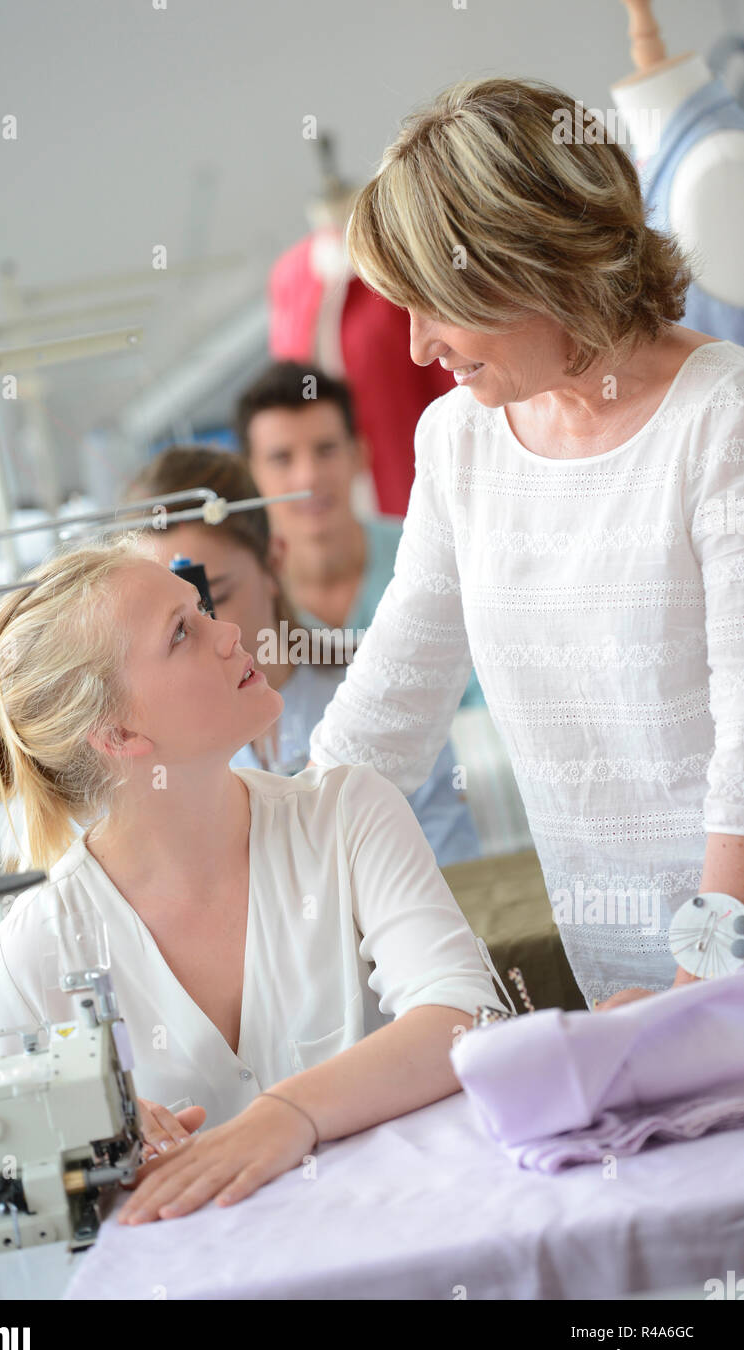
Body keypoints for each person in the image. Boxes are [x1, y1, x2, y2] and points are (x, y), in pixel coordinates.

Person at [306, 75, 744, 1011]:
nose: (419, 347)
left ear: (532, 264)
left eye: (432, 303)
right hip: (626, 975)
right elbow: (385, 713)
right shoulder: (458, 443)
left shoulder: (721, 420)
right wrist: (246, 865)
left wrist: (700, 984)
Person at [0, 532, 506, 1223]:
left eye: (202, 610)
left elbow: (464, 1019)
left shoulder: (347, 815)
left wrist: (288, 1114)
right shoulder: (40, 942)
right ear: (117, 736)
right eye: (182, 633)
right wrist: (76, 1133)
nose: (230, 633)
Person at [123, 446, 481, 865]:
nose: (210, 636)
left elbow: (453, 870)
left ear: (273, 564)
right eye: (176, 631)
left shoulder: (381, 694)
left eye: (212, 599)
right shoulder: (150, 760)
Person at [233, 357, 485, 706]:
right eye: (281, 458)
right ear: (250, 477)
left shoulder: (435, 554)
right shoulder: (240, 602)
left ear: (359, 455)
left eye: (326, 450)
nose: (308, 477)